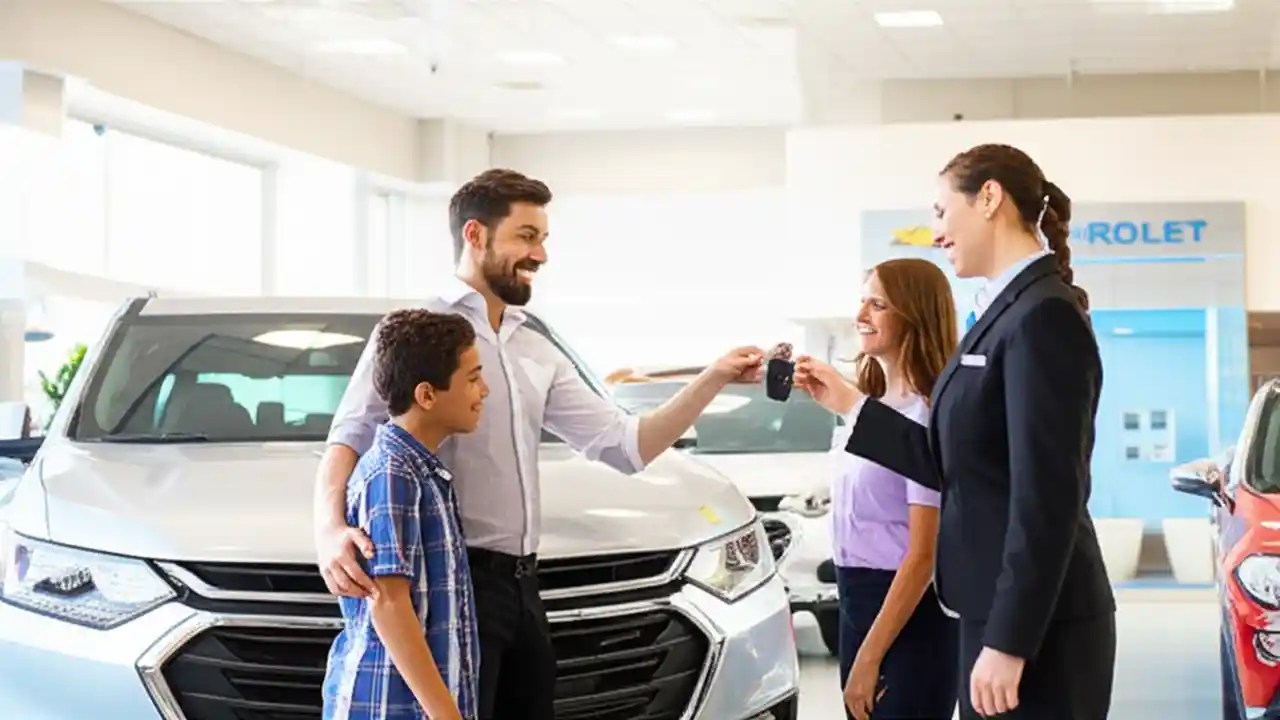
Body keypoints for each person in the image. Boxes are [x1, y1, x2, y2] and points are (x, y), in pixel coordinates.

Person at [315, 168, 767, 720]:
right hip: (454, 583)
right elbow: (351, 436)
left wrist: (713, 376)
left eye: (544, 239)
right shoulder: (421, 330)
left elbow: (625, 444)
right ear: (476, 235)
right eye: (526, 237)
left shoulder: (535, 343)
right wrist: (329, 530)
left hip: (525, 587)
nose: (541, 255)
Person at [795, 143, 1115, 720]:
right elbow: (953, 463)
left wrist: (1010, 640)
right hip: (988, 611)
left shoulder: (1042, 316)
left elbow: (1048, 497)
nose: (936, 232)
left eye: (942, 212)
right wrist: (850, 404)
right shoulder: (1000, 312)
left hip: (1033, 629)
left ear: (989, 198)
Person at [322, 309, 488, 720]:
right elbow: (390, 605)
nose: (483, 390)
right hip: (388, 707)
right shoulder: (392, 474)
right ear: (427, 395)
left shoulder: (423, 472)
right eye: (472, 378)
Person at [819, 258, 960, 720]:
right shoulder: (868, 412)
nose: (861, 315)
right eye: (862, 300)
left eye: (877, 304)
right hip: (855, 598)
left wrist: (870, 656)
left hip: (907, 611)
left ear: (915, 316)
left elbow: (922, 557)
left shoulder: (925, 415)